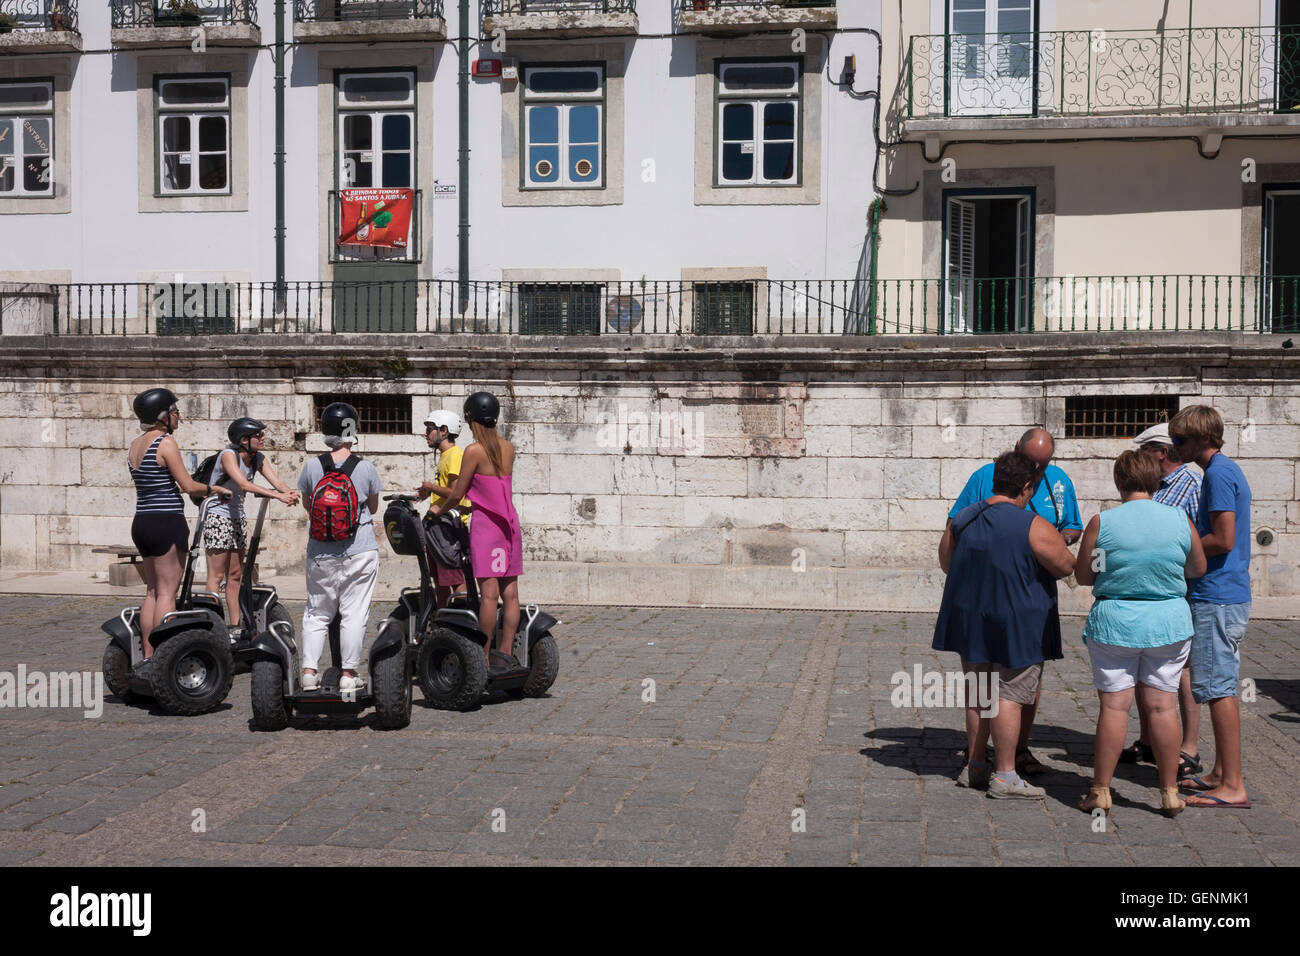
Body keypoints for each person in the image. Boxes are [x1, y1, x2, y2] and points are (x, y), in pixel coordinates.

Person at [934, 450, 1076, 799]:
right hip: (1018, 619)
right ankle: (1006, 775)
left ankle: (976, 765)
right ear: (1026, 487)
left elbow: (946, 561)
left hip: (972, 615)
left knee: (978, 692)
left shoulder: (964, 518)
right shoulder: (1033, 525)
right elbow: (1065, 566)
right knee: (1009, 694)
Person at [1074, 450, 1207, 818]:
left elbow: (1085, 576)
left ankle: (1101, 790)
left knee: (1114, 706)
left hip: (1116, 622)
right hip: (1167, 623)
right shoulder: (1179, 519)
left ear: (1119, 482)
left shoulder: (1104, 522)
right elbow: (1197, 567)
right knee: (1163, 705)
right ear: (1155, 480)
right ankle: (1169, 792)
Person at [1169, 405, 1253, 810]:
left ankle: (1233, 784)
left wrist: (1176, 549)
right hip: (1223, 593)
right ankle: (1221, 772)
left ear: (1203, 438)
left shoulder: (1218, 474)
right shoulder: (1223, 471)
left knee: (1219, 690)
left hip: (1217, 594)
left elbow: (1223, 538)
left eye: (1180, 440)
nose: (1174, 447)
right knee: (1220, 684)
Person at [1118, 422, 1205, 779]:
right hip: (1152, 594)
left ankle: (1189, 747)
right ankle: (1149, 739)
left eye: (1145, 453)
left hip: (1179, 591)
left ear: (1161, 452)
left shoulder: (1192, 485)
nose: (1142, 460)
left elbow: (1200, 543)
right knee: (1147, 674)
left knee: (1182, 675)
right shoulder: (1156, 489)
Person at [127, 387, 232, 665]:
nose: (178, 417)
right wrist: (215, 488)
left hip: (142, 522)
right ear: (161, 416)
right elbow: (188, 486)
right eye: (174, 412)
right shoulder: (165, 443)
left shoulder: (135, 446)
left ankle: (149, 657)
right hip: (166, 521)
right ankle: (165, 658)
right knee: (167, 593)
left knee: (152, 590)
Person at [429, 391, 522, 674]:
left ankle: (480, 657)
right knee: (511, 595)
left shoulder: (474, 451)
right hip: (510, 525)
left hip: (488, 528)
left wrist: (439, 512)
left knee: (489, 595)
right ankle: (505, 654)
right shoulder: (509, 448)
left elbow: (458, 493)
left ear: (471, 420)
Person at [296, 402, 383, 694]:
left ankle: (309, 673)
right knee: (354, 613)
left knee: (317, 613)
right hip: (359, 550)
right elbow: (372, 506)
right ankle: (348, 674)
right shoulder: (365, 467)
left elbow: (309, 506)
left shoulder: (311, 466)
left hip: (320, 552)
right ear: (352, 429)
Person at [204, 417, 298, 630]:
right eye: (258, 435)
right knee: (216, 575)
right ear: (244, 439)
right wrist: (276, 496)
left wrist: (289, 493)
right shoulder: (228, 455)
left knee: (236, 574)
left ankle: (235, 625)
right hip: (217, 516)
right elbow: (244, 484)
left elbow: (276, 482)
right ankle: (212, 625)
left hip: (237, 517)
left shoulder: (258, 458)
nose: (263, 438)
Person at [415, 410, 471, 609]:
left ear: (444, 431)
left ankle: (460, 619)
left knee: (455, 578)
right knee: (440, 580)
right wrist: (426, 494)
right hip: (437, 527)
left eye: (430, 429)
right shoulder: (445, 456)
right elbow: (444, 490)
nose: (426, 434)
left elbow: (455, 492)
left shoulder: (455, 455)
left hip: (449, 529)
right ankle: (443, 619)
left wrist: (431, 487)